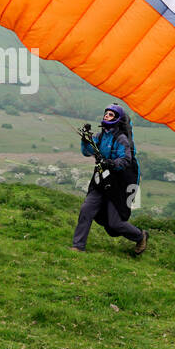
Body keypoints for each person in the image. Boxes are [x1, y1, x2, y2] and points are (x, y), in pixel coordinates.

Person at [71, 104, 148, 255]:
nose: (107, 116)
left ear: (117, 119)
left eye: (111, 114)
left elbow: (125, 160)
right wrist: (85, 140)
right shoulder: (100, 136)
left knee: (115, 223)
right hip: (101, 181)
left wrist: (110, 163)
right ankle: (78, 246)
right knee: (86, 209)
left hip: (117, 185)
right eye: (106, 113)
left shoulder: (121, 139)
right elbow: (87, 152)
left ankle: (140, 236)